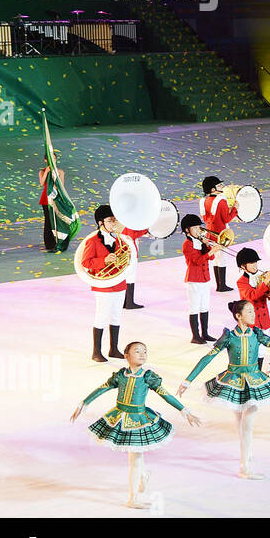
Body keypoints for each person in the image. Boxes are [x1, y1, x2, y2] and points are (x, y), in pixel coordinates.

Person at [178, 300, 270, 479]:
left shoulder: (257, 334)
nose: (253, 314)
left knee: (246, 424)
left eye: (253, 310)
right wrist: (188, 380)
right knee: (242, 422)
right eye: (249, 311)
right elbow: (207, 358)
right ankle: (245, 466)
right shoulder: (229, 337)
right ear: (238, 316)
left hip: (254, 380)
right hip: (233, 381)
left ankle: (245, 459)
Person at [70, 342, 200, 508]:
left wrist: (185, 411)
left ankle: (134, 498)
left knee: (135, 457)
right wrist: (83, 404)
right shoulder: (120, 375)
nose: (142, 354)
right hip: (119, 418)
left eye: (145, 351)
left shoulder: (147, 376)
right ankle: (142, 476)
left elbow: (165, 394)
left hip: (139, 420)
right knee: (135, 455)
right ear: (126, 356)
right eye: (137, 351)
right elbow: (102, 388)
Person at [80, 205, 132, 363]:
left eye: (114, 220)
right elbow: (86, 263)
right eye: (110, 221)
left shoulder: (119, 239)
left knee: (116, 316)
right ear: (101, 223)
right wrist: (104, 260)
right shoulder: (93, 241)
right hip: (103, 286)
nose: (114, 224)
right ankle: (96, 352)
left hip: (119, 283)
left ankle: (114, 349)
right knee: (101, 316)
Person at [180, 214, 221, 344]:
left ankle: (205, 333)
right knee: (194, 307)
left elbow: (212, 258)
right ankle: (195, 336)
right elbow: (196, 261)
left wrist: (208, 246)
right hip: (194, 279)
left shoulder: (200, 241)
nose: (199, 230)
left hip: (205, 278)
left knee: (205, 306)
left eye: (199, 227)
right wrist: (210, 251)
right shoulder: (187, 244)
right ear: (187, 230)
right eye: (195, 228)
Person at [199, 177, 239, 293]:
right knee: (222, 259)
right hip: (221, 232)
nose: (221, 187)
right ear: (213, 189)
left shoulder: (205, 200)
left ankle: (219, 284)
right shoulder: (221, 200)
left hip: (210, 232)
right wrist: (235, 209)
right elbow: (226, 218)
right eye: (219, 186)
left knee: (217, 259)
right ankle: (222, 285)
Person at [37, 151, 63, 251]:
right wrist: (47, 172)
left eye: (54, 158)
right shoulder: (42, 171)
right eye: (50, 158)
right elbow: (42, 183)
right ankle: (49, 244)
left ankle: (57, 242)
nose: (52, 160)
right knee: (48, 221)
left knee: (57, 221)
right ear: (45, 160)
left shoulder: (60, 172)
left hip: (56, 199)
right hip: (46, 200)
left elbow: (62, 187)